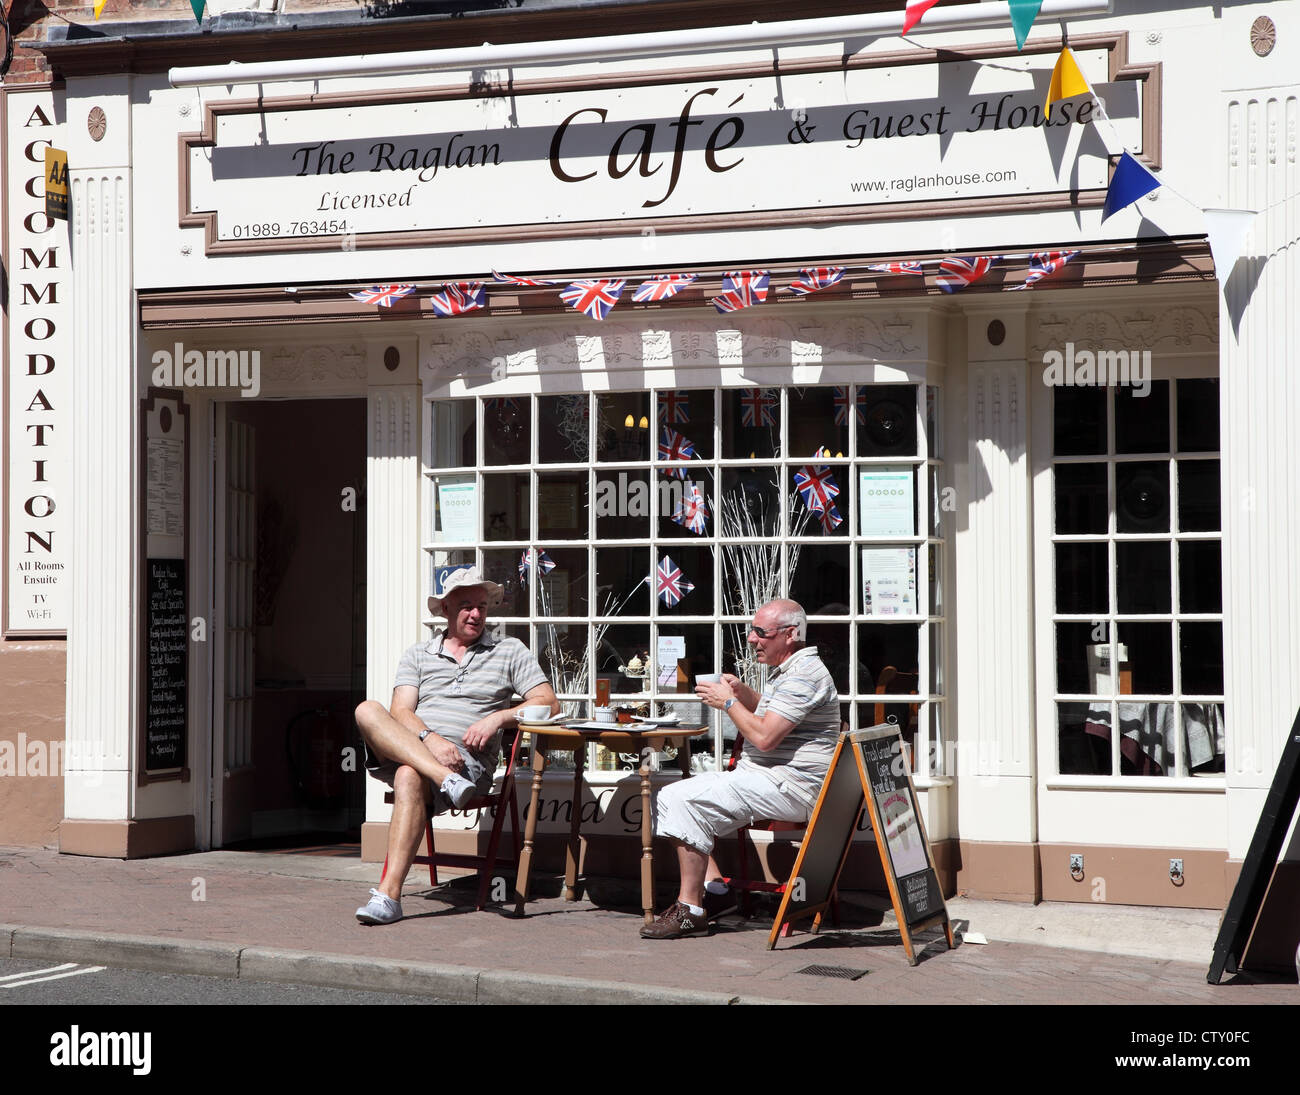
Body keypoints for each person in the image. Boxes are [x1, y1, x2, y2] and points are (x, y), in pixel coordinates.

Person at [353, 566, 558, 925]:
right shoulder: (419, 653)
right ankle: (442, 777)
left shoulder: (508, 650)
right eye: (466, 605)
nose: (476, 613)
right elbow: (401, 711)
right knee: (367, 710)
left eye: (481, 605)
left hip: (467, 765)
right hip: (422, 749)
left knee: (406, 777)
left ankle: (388, 897)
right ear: (445, 609)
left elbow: (549, 704)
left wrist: (498, 718)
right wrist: (431, 741)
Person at [641, 598, 840, 939]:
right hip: (769, 779)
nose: (752, 639)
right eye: (752, 630)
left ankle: (691, 909)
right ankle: (717, 893)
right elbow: (777, 712)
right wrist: (745, 694)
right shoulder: (795, 670)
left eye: (761, 632)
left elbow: (765, 737)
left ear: (790, 634)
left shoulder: (805, 675)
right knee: (673, 798)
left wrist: (728, 703)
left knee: (677, 798)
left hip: (789, 786)